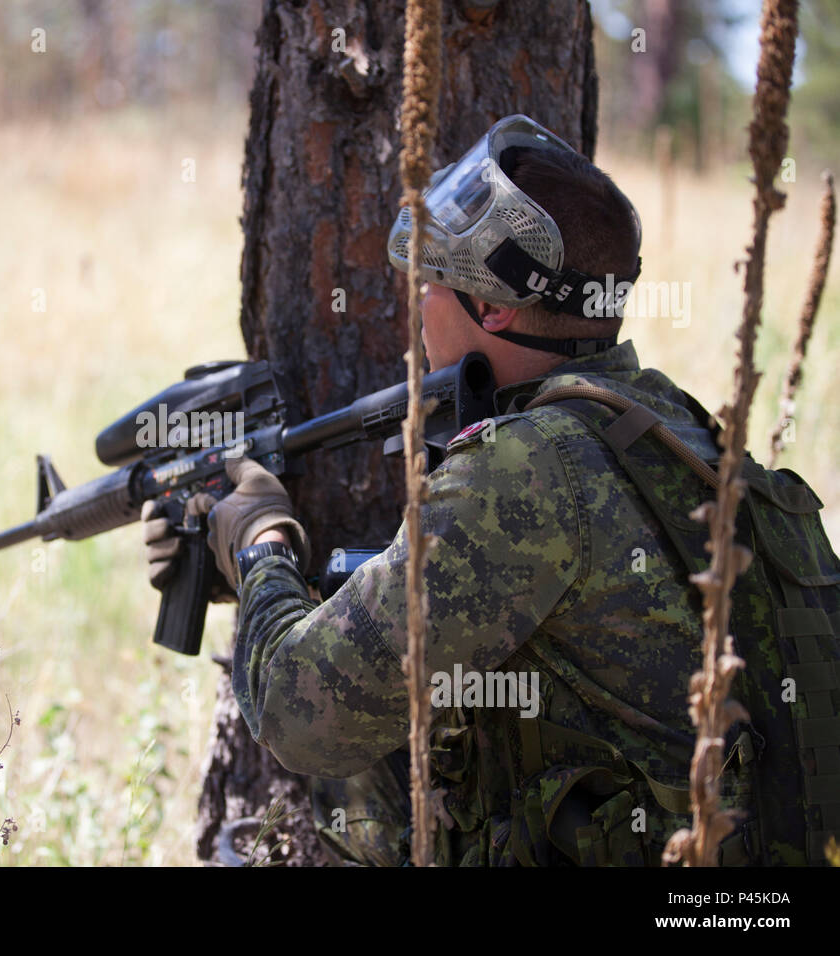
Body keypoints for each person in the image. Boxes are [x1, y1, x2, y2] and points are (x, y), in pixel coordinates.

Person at [143, 114, 840, 866]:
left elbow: (299, 713)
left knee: (366, 782)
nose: (419, 307)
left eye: (433, 284)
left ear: (496, 308)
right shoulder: (667, 424)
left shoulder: (526, 470)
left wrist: (258, 542)